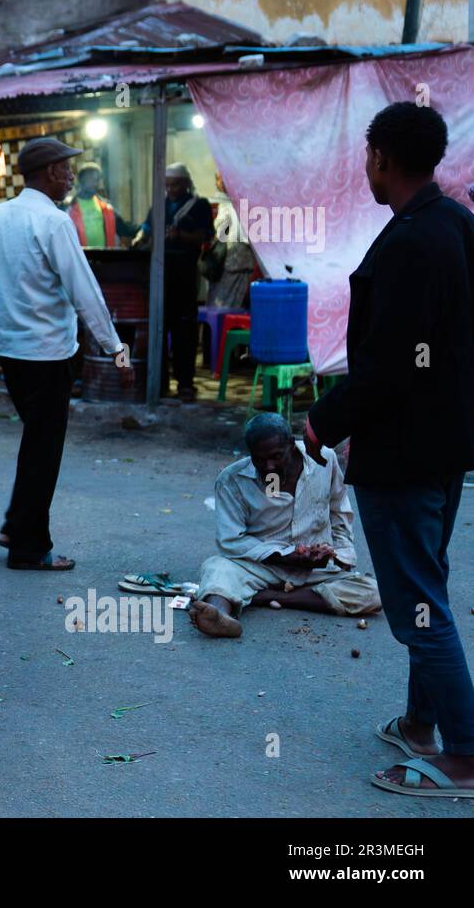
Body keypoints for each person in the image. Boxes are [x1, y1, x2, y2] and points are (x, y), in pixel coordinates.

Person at [304, 102, 474, 799]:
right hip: (443, 442)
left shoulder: (412, 241)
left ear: (382, 158)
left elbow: (392, 364)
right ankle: (420, 723)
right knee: (425, 588)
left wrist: (323, 419)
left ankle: (463, 757)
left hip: (404, 448)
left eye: (367, 154)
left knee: (416, 604)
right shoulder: (456, 224)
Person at [0, 137, 126, 571]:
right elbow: (84, 290)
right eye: (67, 169)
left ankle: (17, 526)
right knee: (43, 450)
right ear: (49, 172)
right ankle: (29, 547)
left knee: (35, 444)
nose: (71, 175)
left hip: (13, 356)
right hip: (49, 356)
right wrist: (115, 348)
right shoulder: (54, 222)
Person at [188, 413, 379, 639]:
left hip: (315, 570)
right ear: (250, 453)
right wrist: (286, 556)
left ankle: (264, 597)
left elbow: (339, 512)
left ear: (291, 444)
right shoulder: (231, 480)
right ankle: (219, 615)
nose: (269, 466)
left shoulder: (324, 460)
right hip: (262, 567)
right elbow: (231, 540)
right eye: (260, 459)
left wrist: (340, 555)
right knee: (218, 568)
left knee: (373, 592)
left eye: (276, 456)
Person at [133, 163, 213, 401]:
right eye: (168, 185)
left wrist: (181, 236)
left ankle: (185, 384)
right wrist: (138, 239)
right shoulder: (160, 204)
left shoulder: (200, 205)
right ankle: (159, 383)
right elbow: (145, 228)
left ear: (187, 183)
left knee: (184, 332)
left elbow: (206, 235)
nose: (172, 189)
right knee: (158, 328)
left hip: (185, 275)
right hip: (159, 276)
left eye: (176, 184)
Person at [204, 170, 256, 309]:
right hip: (231, 261)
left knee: (225, 305)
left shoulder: (234, 201)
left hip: (235, 261)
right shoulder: (229, 201)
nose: (221, 183)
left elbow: (221, 227)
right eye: (219, 180)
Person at [66, 162, 135, 249]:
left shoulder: (107, 207)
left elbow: (125, 229)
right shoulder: (68, 209)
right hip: (81, 259)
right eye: (90, 179)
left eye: (97, 180)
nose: (95, 183)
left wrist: (144, 229)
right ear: (81, 180)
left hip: (105, 260)